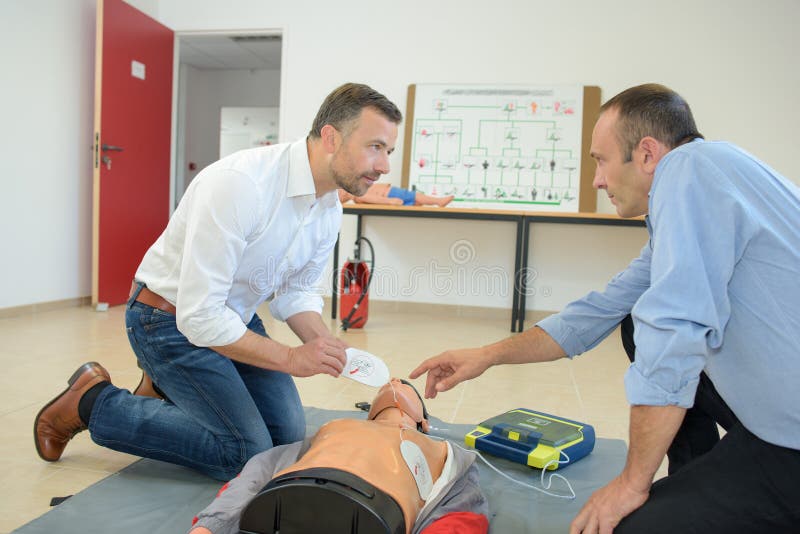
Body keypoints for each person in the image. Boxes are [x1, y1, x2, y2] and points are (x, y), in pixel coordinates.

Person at [410, 84, 800, 533]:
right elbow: (595, 314)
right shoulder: (713, 176)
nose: (596, 179)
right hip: (776, 402)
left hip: (789, 438)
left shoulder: (688, 172)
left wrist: (632, 484)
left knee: (625, 526)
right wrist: (486, 355)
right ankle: (696, 472)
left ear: (648, 154)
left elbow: (674, 336)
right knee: (632, 320)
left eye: (601, 160)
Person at [34, 83, 402, 481]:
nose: (383, 165)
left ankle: (165, 391)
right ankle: (91, 402)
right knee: (246, 454)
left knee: (286, 439)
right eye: (375, 147)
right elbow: (199, 317)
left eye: (388, 152)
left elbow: (295, 291)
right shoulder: (241, 184)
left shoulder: (328, 207)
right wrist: (291, 358)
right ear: (331, 137)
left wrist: (320, 342)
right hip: (166, 320)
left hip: (231, 317)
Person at [189, 379, 489, 534]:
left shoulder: (445, 452)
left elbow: (461, 513)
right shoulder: (333, 430)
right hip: (296, 490)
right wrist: (211, 525)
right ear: (369, 415)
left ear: (424, 421)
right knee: (261, 472)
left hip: (378, 507)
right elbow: (261, 469)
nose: (394, 383)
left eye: (404, 387)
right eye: (387, 386)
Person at [338, 183, 454, 207]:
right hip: (390, 194)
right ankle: (438, 201)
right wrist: (390, 201)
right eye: (342, 193)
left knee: (416, 201)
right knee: (415, 197)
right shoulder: (358, 196)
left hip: (389, 192)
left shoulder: (358, 191)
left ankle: (437, 201)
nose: (344, 192)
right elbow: (377, 199)